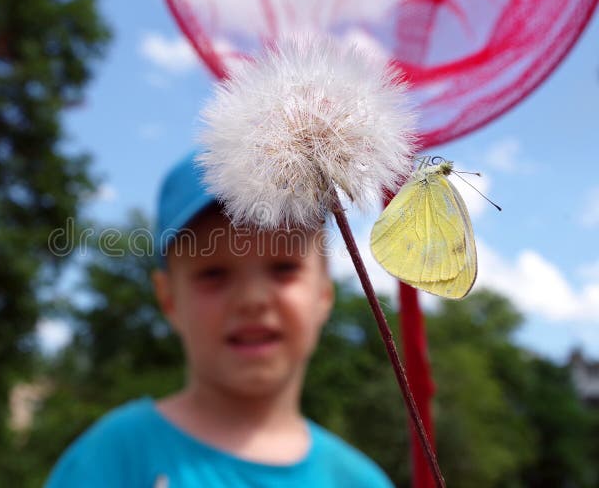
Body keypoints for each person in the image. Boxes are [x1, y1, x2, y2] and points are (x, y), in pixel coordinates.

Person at [44, 151, 394, 487]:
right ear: (168, 299)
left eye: (284, 268)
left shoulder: (361, 481)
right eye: (213, 274)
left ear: (324, 292)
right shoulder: (112, 459)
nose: (252, 299)